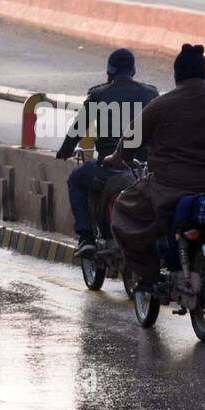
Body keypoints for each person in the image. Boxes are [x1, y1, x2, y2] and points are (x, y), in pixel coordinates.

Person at [111, 45, 205, 287]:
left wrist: (116, 157)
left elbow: (129, 144)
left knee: (123, 210)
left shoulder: (161, 105)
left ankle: (147, 276)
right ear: (204, 73)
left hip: (171, 189)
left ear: (176, 75)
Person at [55, 48, 159, 256]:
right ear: (133, 71)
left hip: (108, 169)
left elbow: (77, 129)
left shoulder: (98, 95)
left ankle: (86, 237)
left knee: (76, 180)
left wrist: (64, 151)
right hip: (142, 170)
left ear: (109, 72)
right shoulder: (151, 94)